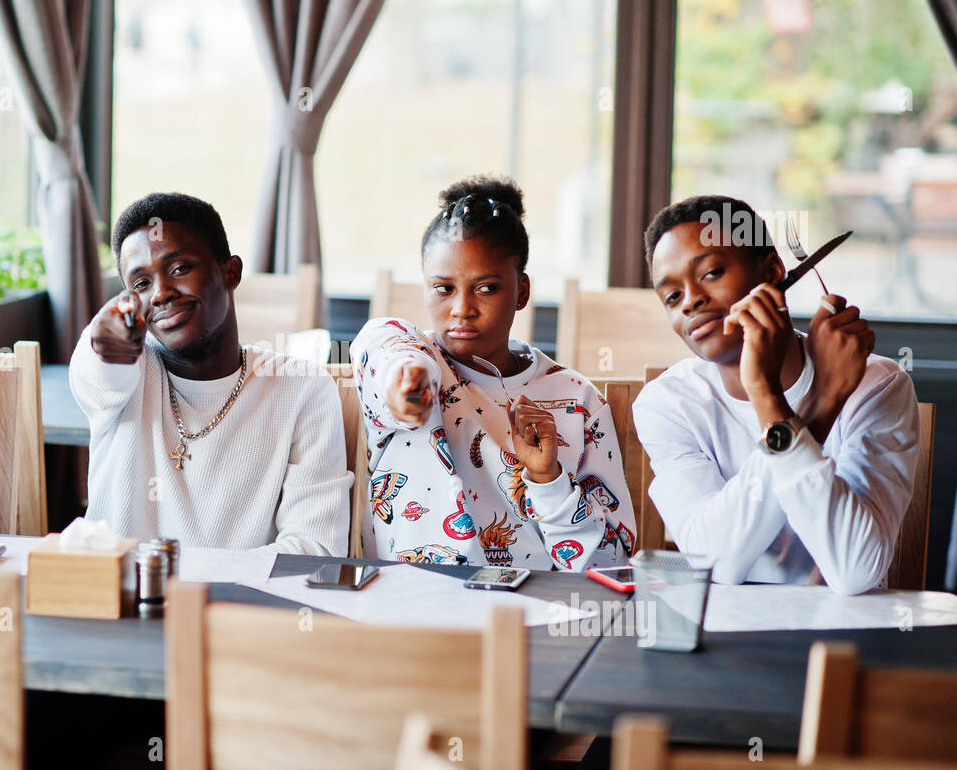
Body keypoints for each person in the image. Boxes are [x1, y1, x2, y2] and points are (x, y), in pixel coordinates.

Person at [633, 195, 919, 595]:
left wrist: (766, 398)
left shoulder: (877, 385)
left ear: (771, 271)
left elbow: (856, 571)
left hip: (839, 637)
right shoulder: (666, 405)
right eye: (672, 297)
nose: (691, 300)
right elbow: (713, 563)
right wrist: (818, 404)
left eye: (712, 272)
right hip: (721, 635)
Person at [350, 176, 635, 570]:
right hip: (411, 610)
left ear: (521, 292)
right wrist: (407, 379)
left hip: (531, 612)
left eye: (485, 288)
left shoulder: (575, 399)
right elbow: (382, 346)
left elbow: (611, 563)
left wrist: (548, 478)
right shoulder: (409, 360)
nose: (462, 308)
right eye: (443, 288)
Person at [70, 192, 350, 555]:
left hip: (239, 608)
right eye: (141, 284)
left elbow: (316, 550)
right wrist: (102, 339)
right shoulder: (128, 369)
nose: (160, 294)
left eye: (179, 269)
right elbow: (97, 372)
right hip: (116, 605)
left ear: (230, 272)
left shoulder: (301, 389)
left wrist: (191, 588)